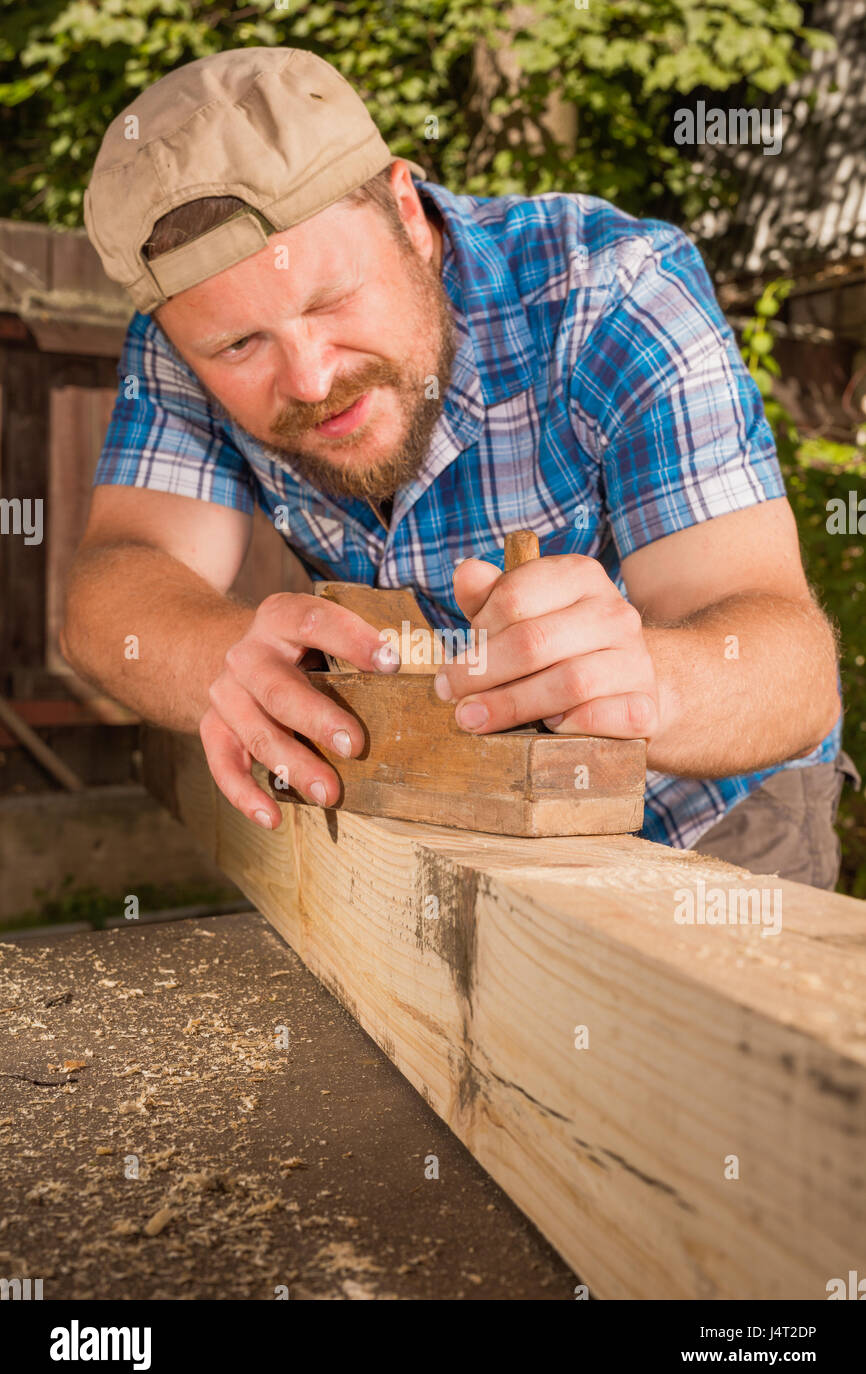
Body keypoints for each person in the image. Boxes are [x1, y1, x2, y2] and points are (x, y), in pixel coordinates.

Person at [66, 46, 857, 887]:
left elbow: (788, 669)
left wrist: (636, 682)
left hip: (710, 810)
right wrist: (233, 662)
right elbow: (112, 592)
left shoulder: (614, 288)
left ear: (406, 211)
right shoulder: (179, 345)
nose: (311, 379)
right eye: (239, 346)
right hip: (450, 815)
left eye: (331, 301)